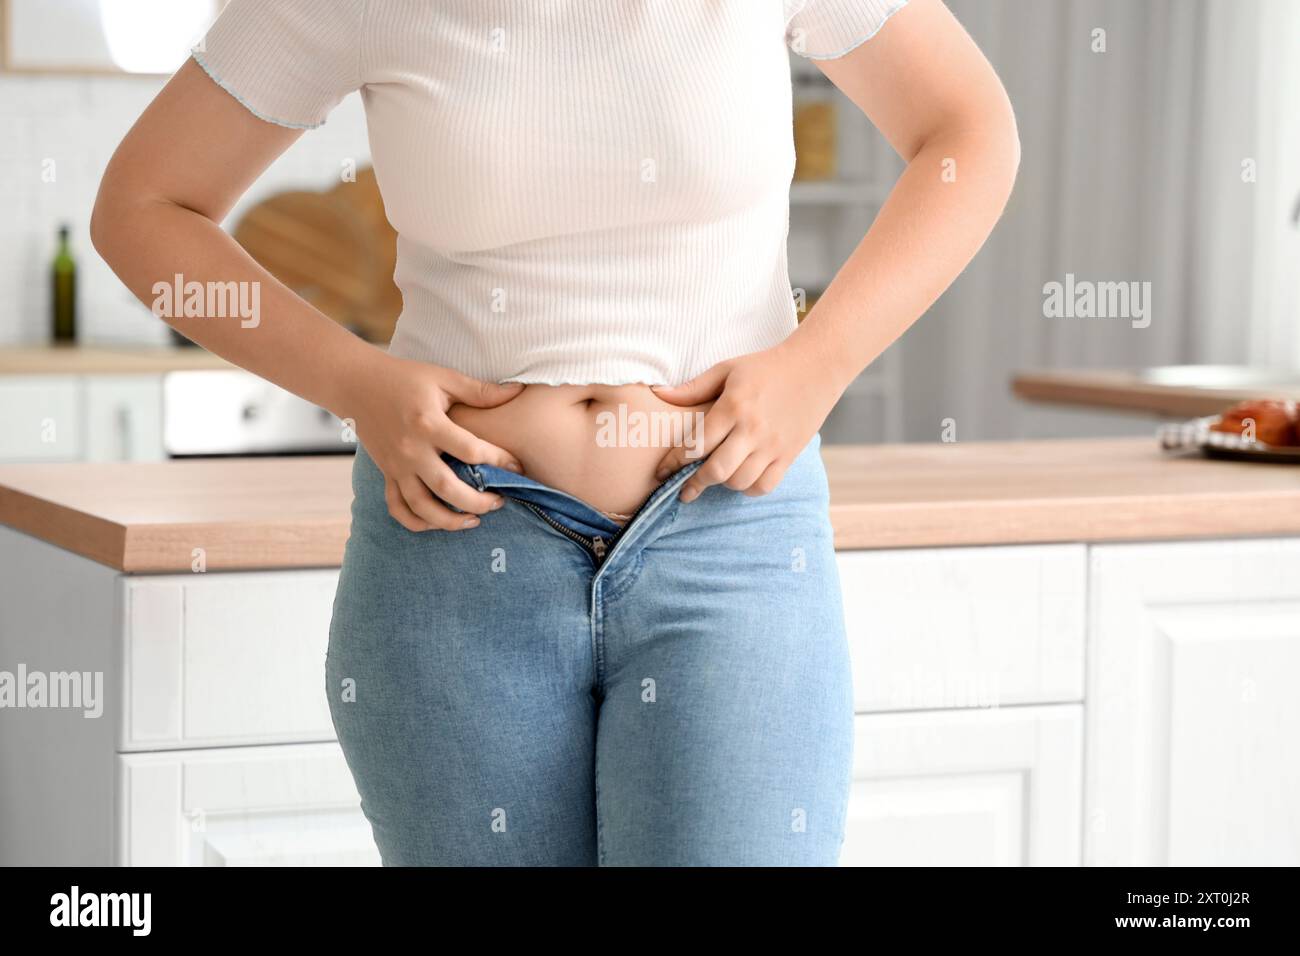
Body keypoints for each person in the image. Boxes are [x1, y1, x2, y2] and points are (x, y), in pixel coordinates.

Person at [92, 0, 1019, 866]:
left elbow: (968, 131)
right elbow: (143, 207)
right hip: (455, 556)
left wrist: (818, 365)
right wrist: (356, 382)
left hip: (732, 539)